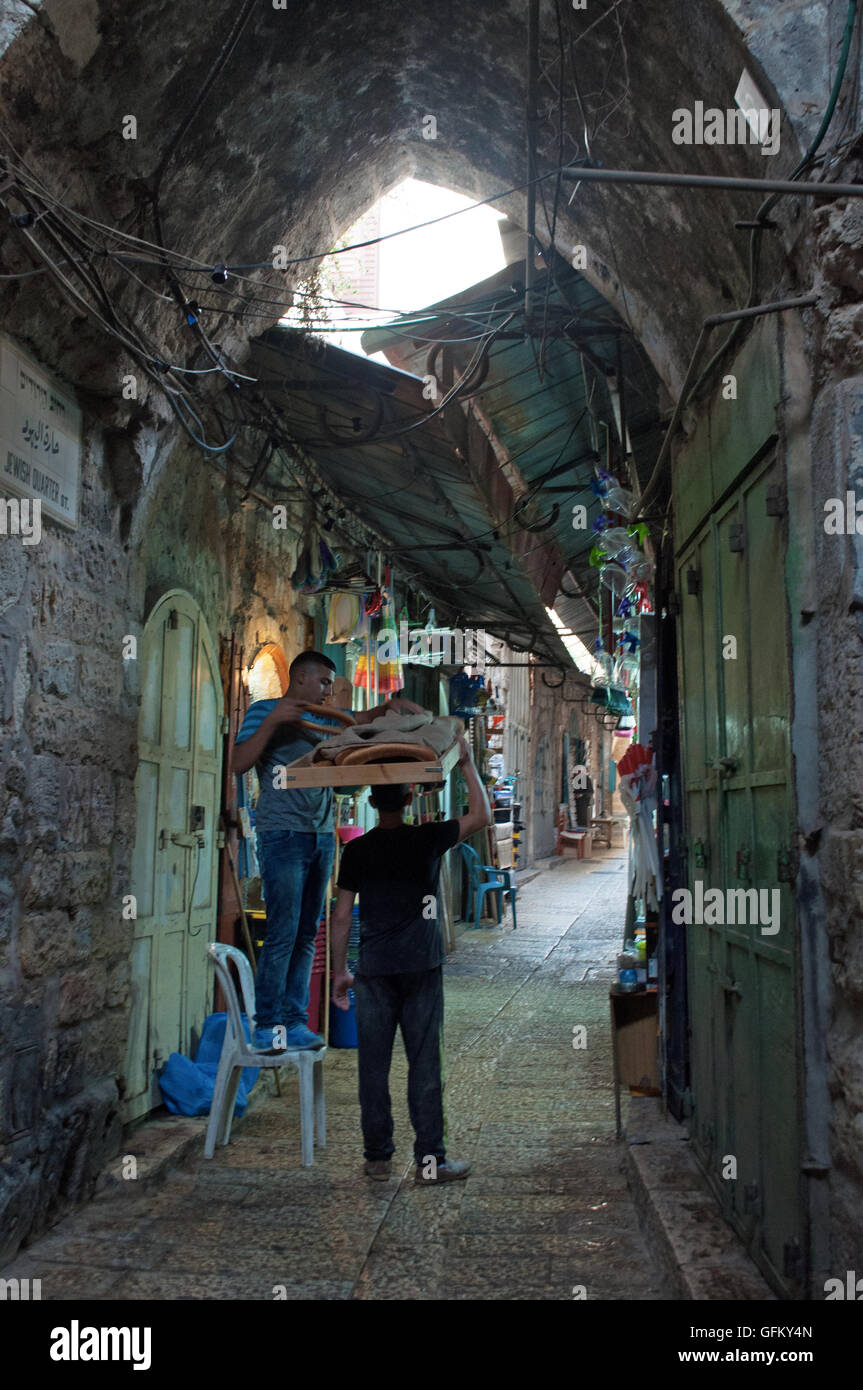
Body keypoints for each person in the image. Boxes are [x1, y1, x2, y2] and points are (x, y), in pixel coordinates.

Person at [232, 649, 422, 1050]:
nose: (326, 692)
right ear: (300, 678)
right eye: (322, 683)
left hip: (320, 835)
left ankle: (295, 1022)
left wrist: (387, 708)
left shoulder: (323, 720)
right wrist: (272, 721)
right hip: (281, 833)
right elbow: (238, 763)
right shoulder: (263, 710)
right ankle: (267, 1025)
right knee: (283, 932)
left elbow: (354, 723)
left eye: (331, 686)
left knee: (306, 935)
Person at [330, 733, 491, 1184]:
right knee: (424, 1064)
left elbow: (342, 917)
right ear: (410, 794)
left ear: (370, 797)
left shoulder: (357, 849)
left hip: (374, 971)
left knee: (373, 1067)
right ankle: (430, 1162)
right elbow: (481, 815)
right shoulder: (427, 838)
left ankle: (377, 1158)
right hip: (420, 966)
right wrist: (467, 764)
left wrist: (341, 971)